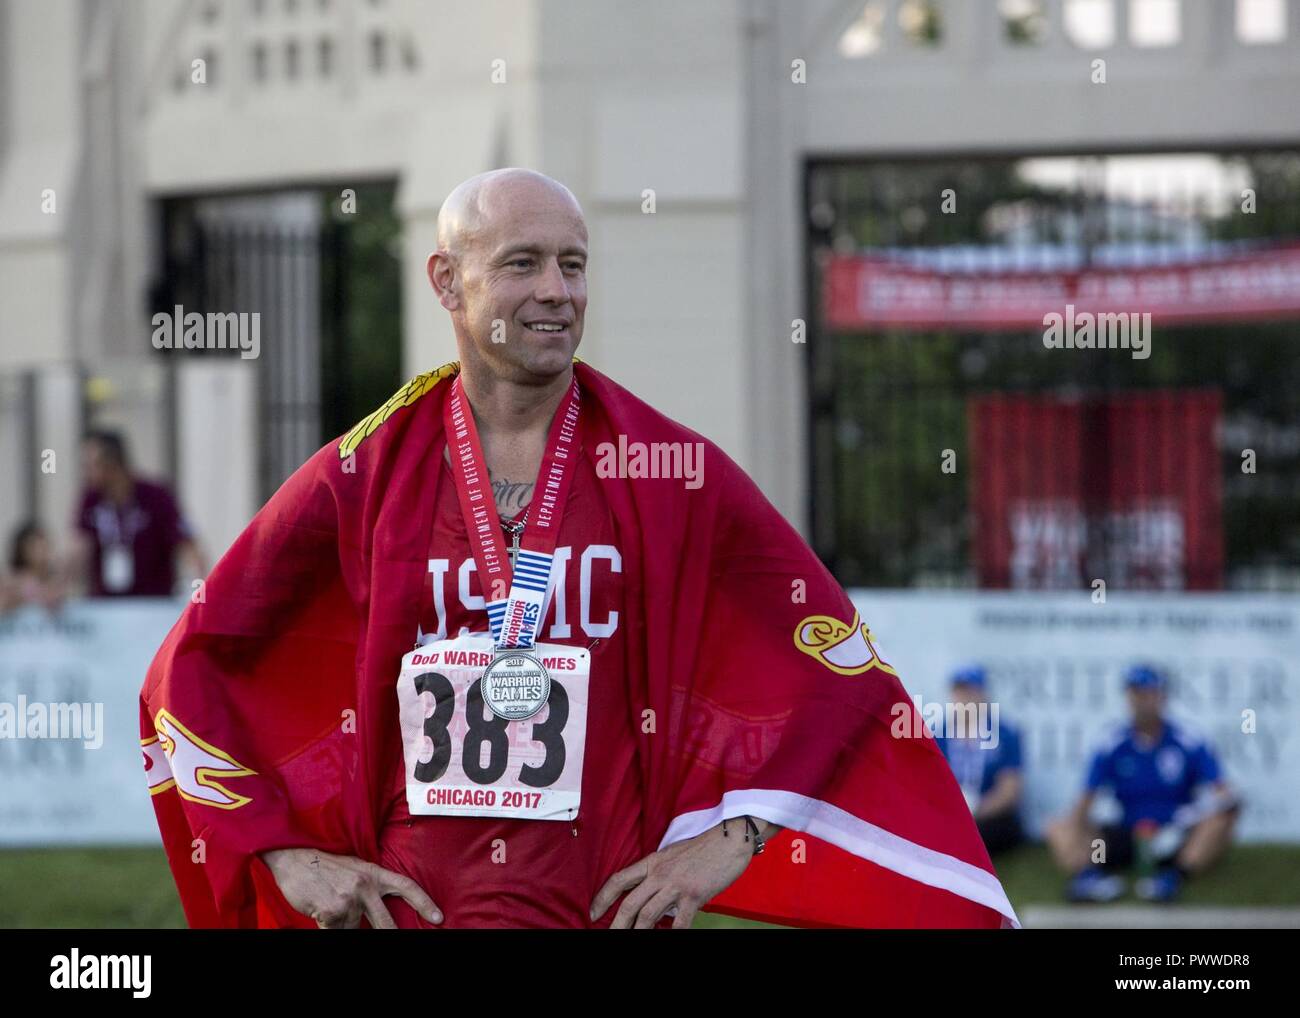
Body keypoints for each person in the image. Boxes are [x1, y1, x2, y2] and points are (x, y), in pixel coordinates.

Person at [140, 168, 1017, 930]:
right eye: (522, 263)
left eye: (574, 263)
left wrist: (734, 838)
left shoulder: (668, 468)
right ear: (447, 282)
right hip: (413, 912)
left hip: (604, 911)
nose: (557, 290)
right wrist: (285, 855)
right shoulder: (364, 469)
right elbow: (195, 661)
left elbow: (840, 674)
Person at [1046, 664, 1239, 903]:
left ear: (1162, 696)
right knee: (1059, 826)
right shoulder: (1112, 742)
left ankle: (1174, 877)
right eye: (1136, 694)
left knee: (1220, 821)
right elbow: (1086, 799)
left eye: (1149, 693)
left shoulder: (1188, 740)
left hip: (1175, 834)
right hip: (1126, 836)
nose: (1142, 701)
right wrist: (1077, 831)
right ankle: (1090, 875)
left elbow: (1223, 793)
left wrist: (1202, 812)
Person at [72, 430, 205, 598]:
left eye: (92, 465)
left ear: (112, 463)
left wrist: (199, 591)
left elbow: (189, 547)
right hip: (105, 606)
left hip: (153, 605)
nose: (86, 473)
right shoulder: (91, 499)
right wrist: (56, 585)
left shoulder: (156, 496)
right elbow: (78, 549)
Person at [934, 665, 1024, 855]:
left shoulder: (1005, 734)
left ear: (983, 694)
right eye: (959, 692)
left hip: (987, 815)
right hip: (949, 813)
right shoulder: (936, 734)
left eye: (970, 692)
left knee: (998, 830)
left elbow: (1009, 791)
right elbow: (925, 781)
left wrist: (977, 810)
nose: (964, 699)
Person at [0, 521, 65, 613]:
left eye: (45, 545)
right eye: (35, 547)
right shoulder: (14, 580)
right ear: (22, 550)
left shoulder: (53, 580)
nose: (42, 551)